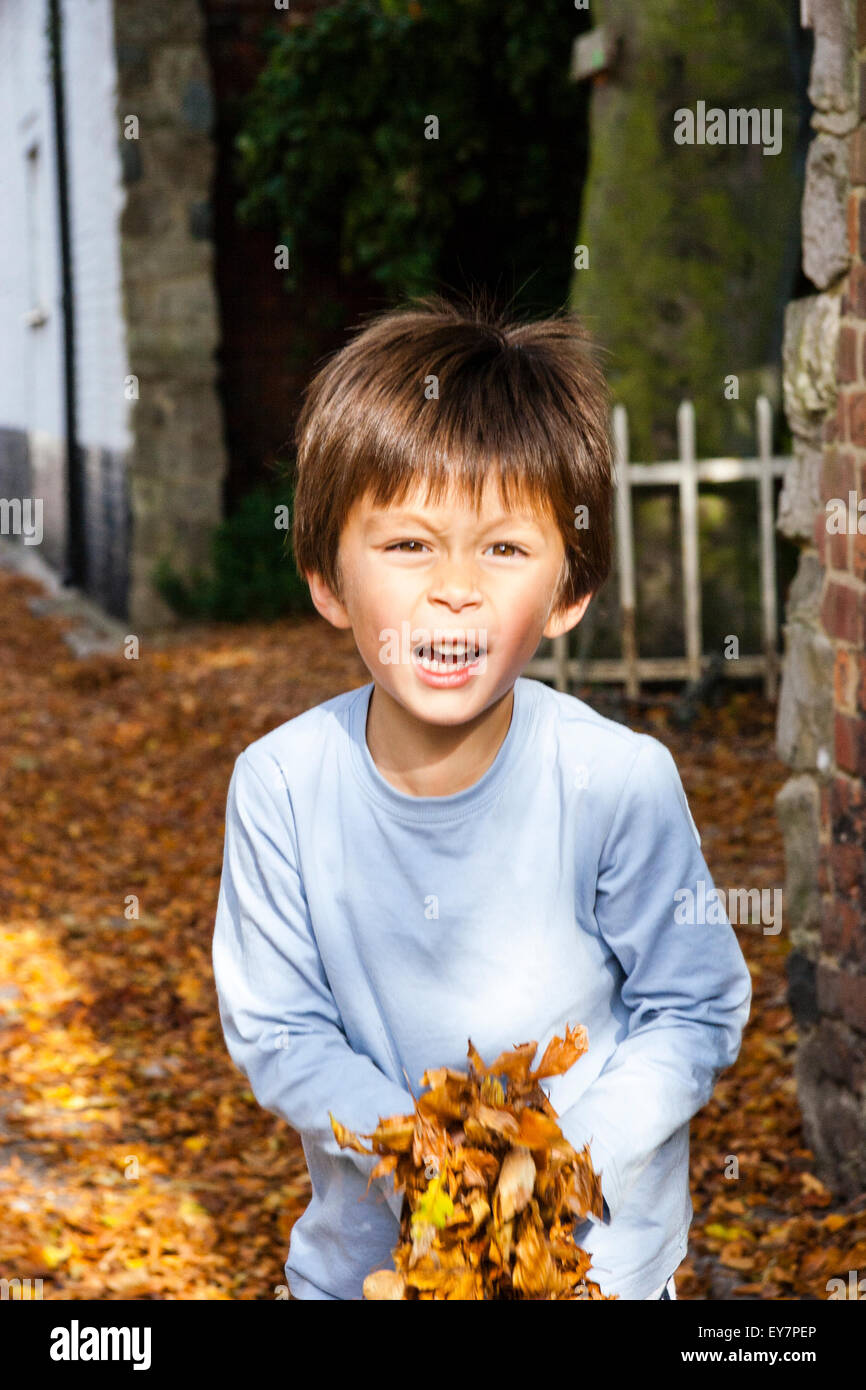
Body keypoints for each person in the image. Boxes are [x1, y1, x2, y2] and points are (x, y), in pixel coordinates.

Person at [212, 293, 752, 1301]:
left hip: (589, 1273)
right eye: (408, 544)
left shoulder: (615, 781)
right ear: (327, 576)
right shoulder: (282, 786)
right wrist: (418, 1152)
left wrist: (548, 1160)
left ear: (567, 590)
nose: (452, 588)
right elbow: (278, 1026)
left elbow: (694, 1003)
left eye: (502, 548)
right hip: (365, 1276)